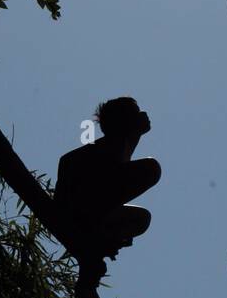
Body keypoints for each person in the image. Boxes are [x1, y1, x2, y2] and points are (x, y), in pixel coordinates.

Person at [54, 96, 159, 284]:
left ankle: (100, 242)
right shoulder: (110, 146)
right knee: (151, 168)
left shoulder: (121, 147)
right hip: (79, 210)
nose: (144, 114)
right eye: (137, 112)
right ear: (126, 121)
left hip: (89, 214)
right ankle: (97, 235)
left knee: (142, 218)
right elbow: (67, 161)